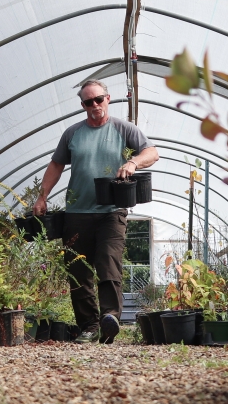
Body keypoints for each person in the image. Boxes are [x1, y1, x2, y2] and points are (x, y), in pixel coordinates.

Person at [34, 80, 158, 343]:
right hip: (76, 212)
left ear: (108, 99)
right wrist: (42, 196)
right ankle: (89, 326)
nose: (95, 105)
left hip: (112, 211)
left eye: (98, 99)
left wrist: (133, 162)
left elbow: (152, 152)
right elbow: (56, 165)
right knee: (77, 271)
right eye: (88, 102)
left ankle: (109, 318)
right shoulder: (73, 134)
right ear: (83, 105)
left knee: (108, 263)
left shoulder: (123, 129)